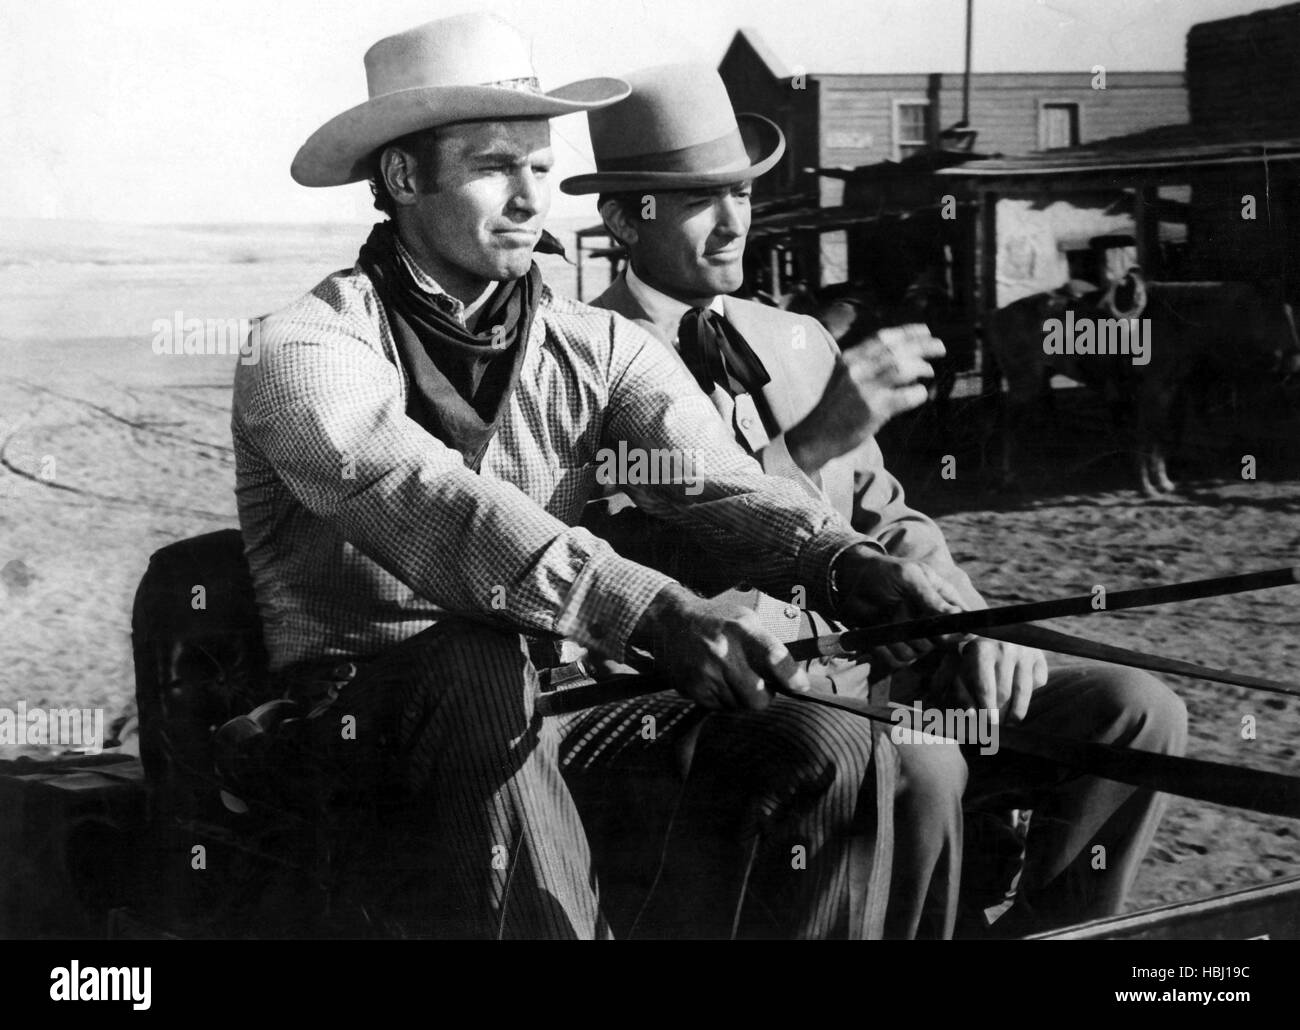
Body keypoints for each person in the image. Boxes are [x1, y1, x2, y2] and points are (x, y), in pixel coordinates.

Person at [232, 13, 960, 940]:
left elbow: (720, 485)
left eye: (541, 168)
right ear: (405, 177)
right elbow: (430, 501)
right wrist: (656, 614)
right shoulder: (303, 347)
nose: (529, 199)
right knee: (473, 661)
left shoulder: (597, 345)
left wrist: (843, 562)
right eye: (495, 167)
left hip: (564, 704)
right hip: (354, 734)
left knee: (832, 739)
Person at [561, 62, 1189, 938]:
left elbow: (891, 516)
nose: (735, 221)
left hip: (891, 672)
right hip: (755, 704)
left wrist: (970, 626)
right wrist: (808, 445)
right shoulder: (584, 362)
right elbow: (642, 560)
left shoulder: (796, 337)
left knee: (1136, 712)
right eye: (700, 199)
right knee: (922, 765)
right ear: (625, 219)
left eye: (742, 191)